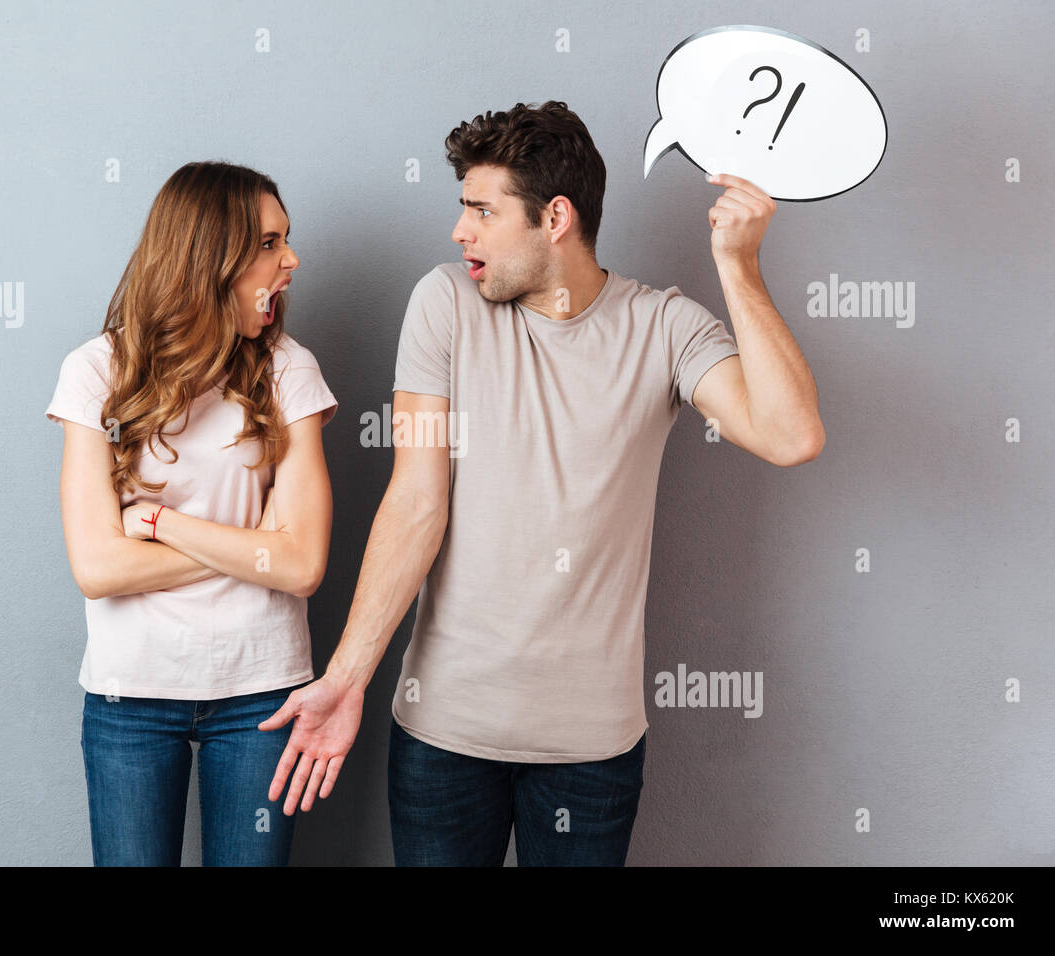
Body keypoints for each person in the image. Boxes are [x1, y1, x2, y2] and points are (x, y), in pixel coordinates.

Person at [259, 101, 824, 866]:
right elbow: (418, 498)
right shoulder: (445, 304)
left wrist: (739, 266)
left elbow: (791, 437)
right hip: (442, 739)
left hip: (591, 751)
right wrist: (348, 678)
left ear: (555, 217)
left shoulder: (665, 327)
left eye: (482, 211)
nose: (461, 231)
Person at [44, 161, 337, 866]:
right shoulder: (95, 372)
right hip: (130, 697)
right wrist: (252, 544)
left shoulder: (288, 371)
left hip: (261, 692)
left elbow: (301, 566)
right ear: (209, 256)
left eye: (286, 239)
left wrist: (164, 524)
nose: (291, 259)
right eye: (269, 243)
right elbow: (98, 567)